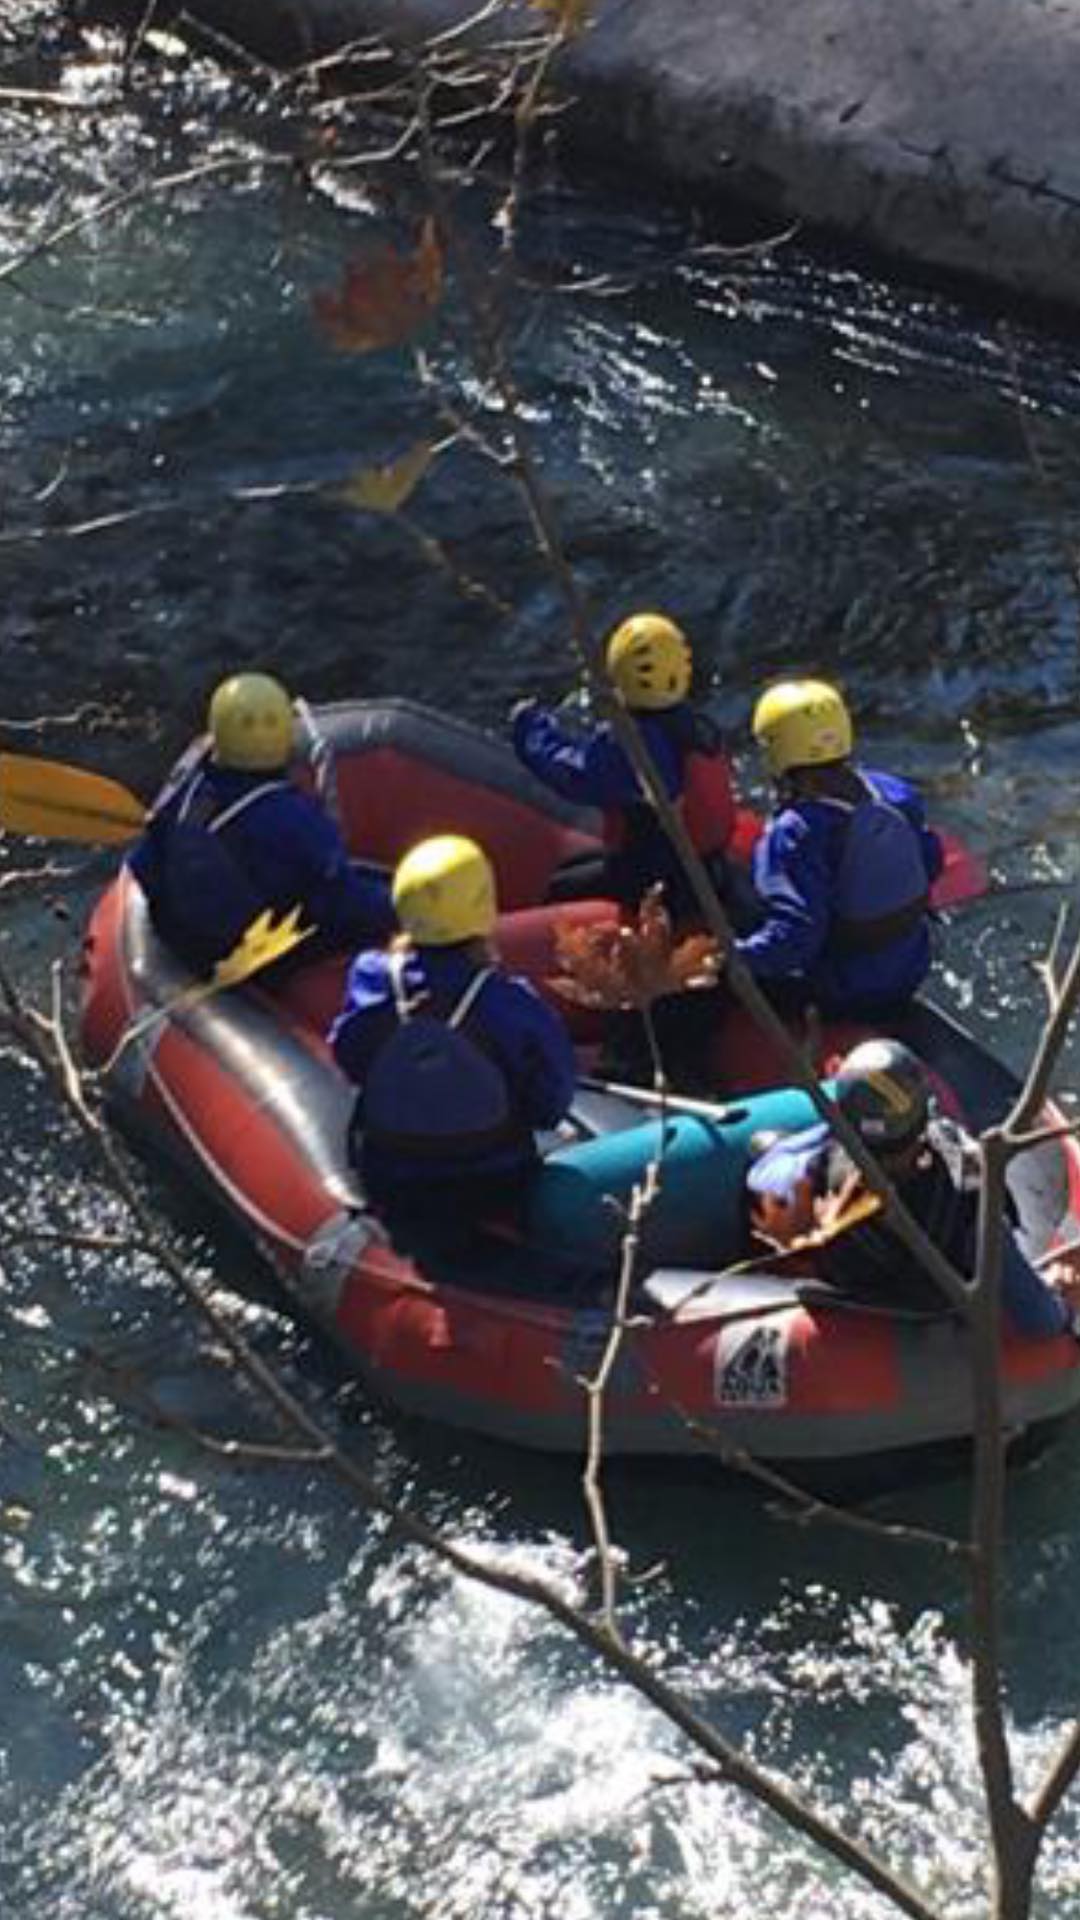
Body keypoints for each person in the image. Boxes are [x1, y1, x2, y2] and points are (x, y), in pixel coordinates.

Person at [328, 833, 577, 1274]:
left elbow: (349, 1056)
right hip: (493, 1181)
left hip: (393, 1176)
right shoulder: (511, 1001)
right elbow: (552, 1101)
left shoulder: (370, 977)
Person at [746, 1038, 1079, 1337]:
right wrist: (1060, 1298)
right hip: (910, 1297)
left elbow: (762, 1174)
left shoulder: (826, 1171)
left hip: (872, 1292)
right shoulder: (968, 1200)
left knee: (768, 1145)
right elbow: (1041, 1320)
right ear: (922, 1117)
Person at [127, 672, 394, 975]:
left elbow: (143, 863)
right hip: (250, 951)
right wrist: (402, 911)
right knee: (370, 898)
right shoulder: (294, 818)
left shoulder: (187, 784)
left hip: (181, 934)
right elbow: (342, 899)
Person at [510, 612, 739, 924]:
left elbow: (575, 775)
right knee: (577, 866)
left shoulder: (637, 744)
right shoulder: (697, 725)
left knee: (560, 888)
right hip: (704, 867)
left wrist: (530, 729)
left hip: (664, 879)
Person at [734, 679, 944, 1016]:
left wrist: (732, 959)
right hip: (913, 966)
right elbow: (930, 862)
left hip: (843, 992)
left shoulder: (793, 833)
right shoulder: (893, 793)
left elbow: (796, 938)